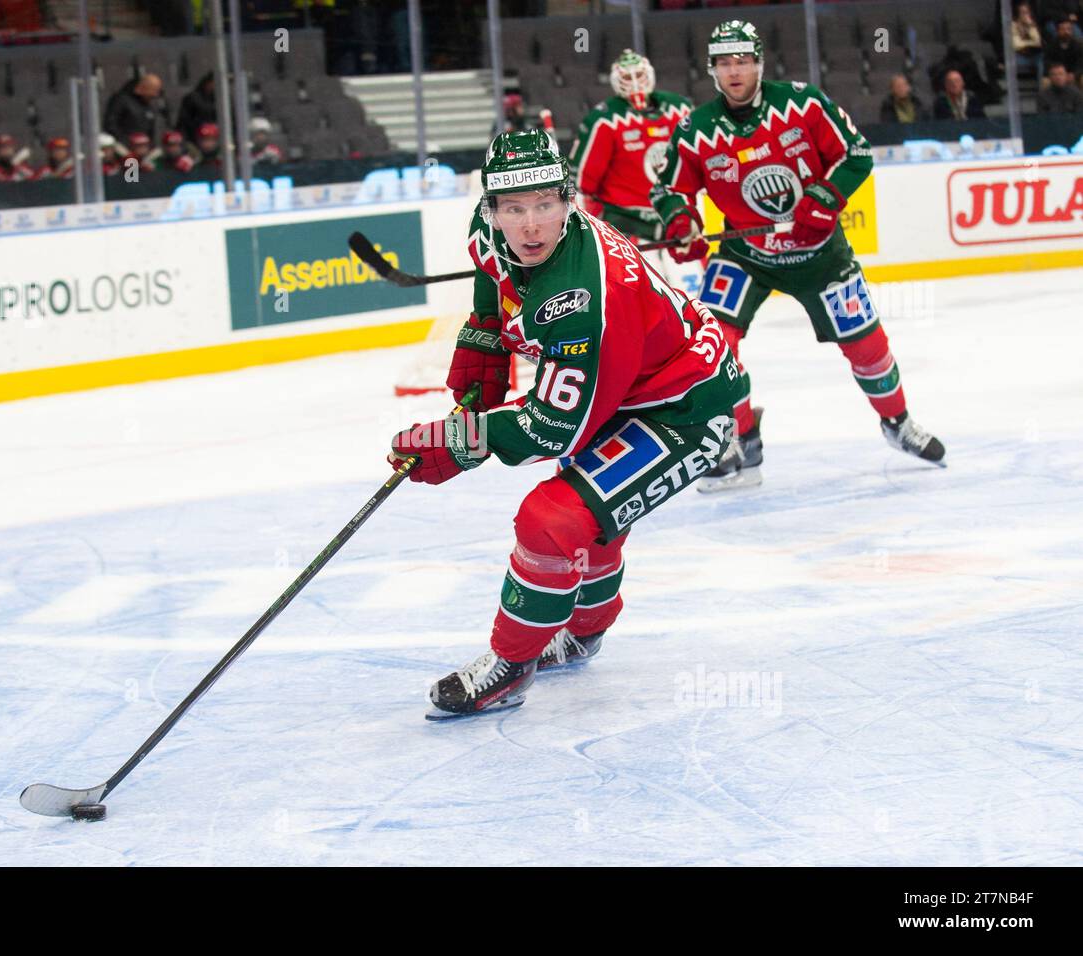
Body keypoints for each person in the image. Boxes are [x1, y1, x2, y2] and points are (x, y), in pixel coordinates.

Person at [389, 129, 746, 718]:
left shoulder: (580, 294)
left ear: (568, 200)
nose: (530, 225)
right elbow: (492, 283)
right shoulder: (493, 234)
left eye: (545, 206)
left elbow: (555, 428)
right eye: (514, 209)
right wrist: (483, 364)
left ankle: (511, 665)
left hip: (685, 405)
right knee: (591, 517)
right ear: (491, 209)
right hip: (626, 383)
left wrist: (463, 440)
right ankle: (583, 631)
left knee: (553, 519)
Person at [652, 19, 945, 491]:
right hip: (744, 251)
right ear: (712, 71)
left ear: (759, 64)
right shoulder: (696, 128)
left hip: (820, 253)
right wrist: (681, 223)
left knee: (867, 348)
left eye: (743, 61)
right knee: (712, 346)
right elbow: (670, 188)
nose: (734, 71)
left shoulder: (803, 104)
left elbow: (856, 153)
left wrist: (826, 197)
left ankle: (897, 423)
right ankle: (740, 436)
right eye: (724, 63)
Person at [570, 50, 698, 293]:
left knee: (694, 294)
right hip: (626, 224)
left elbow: (700, 159)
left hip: (677, 218)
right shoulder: (605, 119)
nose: (636, 83)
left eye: (639, 75)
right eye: (628, 77)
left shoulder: (680, 109)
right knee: (641, 297)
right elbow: (584, 181)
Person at [103, 73, 163, 145]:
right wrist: (125, 142)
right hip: (125, 147)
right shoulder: (121, 100)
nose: (154, 96)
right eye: (151, 94)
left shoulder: (148, 105)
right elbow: (110, 124)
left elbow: (151, 131)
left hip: (143, 148)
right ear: (142, 89)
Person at [176, 72, 217, 145]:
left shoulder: (218, 100)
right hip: (195, 138)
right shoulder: (193, 98)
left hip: (214, 138)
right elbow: (184, 121)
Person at [1012, 2, 1045, 83]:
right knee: (1013, 63)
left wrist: (1030, 25)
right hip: (1020, 55)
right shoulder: (1013, 25)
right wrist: (1030, 43)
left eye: (1027, 12)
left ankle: (1041, 89)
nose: (1025, 15)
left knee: (1042, 63)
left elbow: (1038, 42)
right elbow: (1017, 45)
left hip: (1034, 55)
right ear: (1018, 14)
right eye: (1023, 12)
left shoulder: (1032, 24)